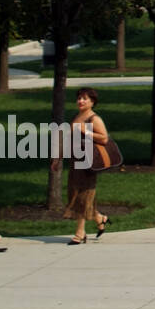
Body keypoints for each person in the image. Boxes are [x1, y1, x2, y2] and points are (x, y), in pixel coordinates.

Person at [50, 88, 111, 245]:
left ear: (92, 102)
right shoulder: (76, 117)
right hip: (75, 161)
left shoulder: (94, 119)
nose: (80, 101)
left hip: (88, 162)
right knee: (75, 192)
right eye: (79, 98)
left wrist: (86, 131)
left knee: (82, 195)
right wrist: (57, 159)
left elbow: (104, 138)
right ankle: (100, 218)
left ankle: (80, 233)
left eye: (84, 98)